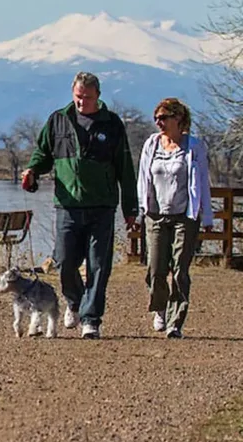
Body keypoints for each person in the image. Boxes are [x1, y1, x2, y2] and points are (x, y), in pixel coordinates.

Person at [21, 71, 138, 339]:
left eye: (87, 97)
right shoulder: (58, 120)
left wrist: (130, 208)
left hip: (102, 206)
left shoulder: (112, 124)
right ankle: (74, 301)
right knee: (64, 261)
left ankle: (91, 319)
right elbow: (43, 153)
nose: (81, 102)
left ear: (98, 96)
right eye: (77, 96)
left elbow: (125, 169)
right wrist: (32, 170)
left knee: (99, 265)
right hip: (67, 205)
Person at [136, 98, 213, 338]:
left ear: (178, 118)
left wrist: (207, 217)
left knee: (180, 269)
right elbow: (143, 179)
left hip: (185, 216)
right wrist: (140, 211)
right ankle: (160, 307)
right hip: (156, 215)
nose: (159, 123)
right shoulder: (151, 144)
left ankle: (175, 321)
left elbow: (203, 182)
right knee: (156, 268)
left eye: (163, 118)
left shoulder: (194, 147)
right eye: (156, 118)